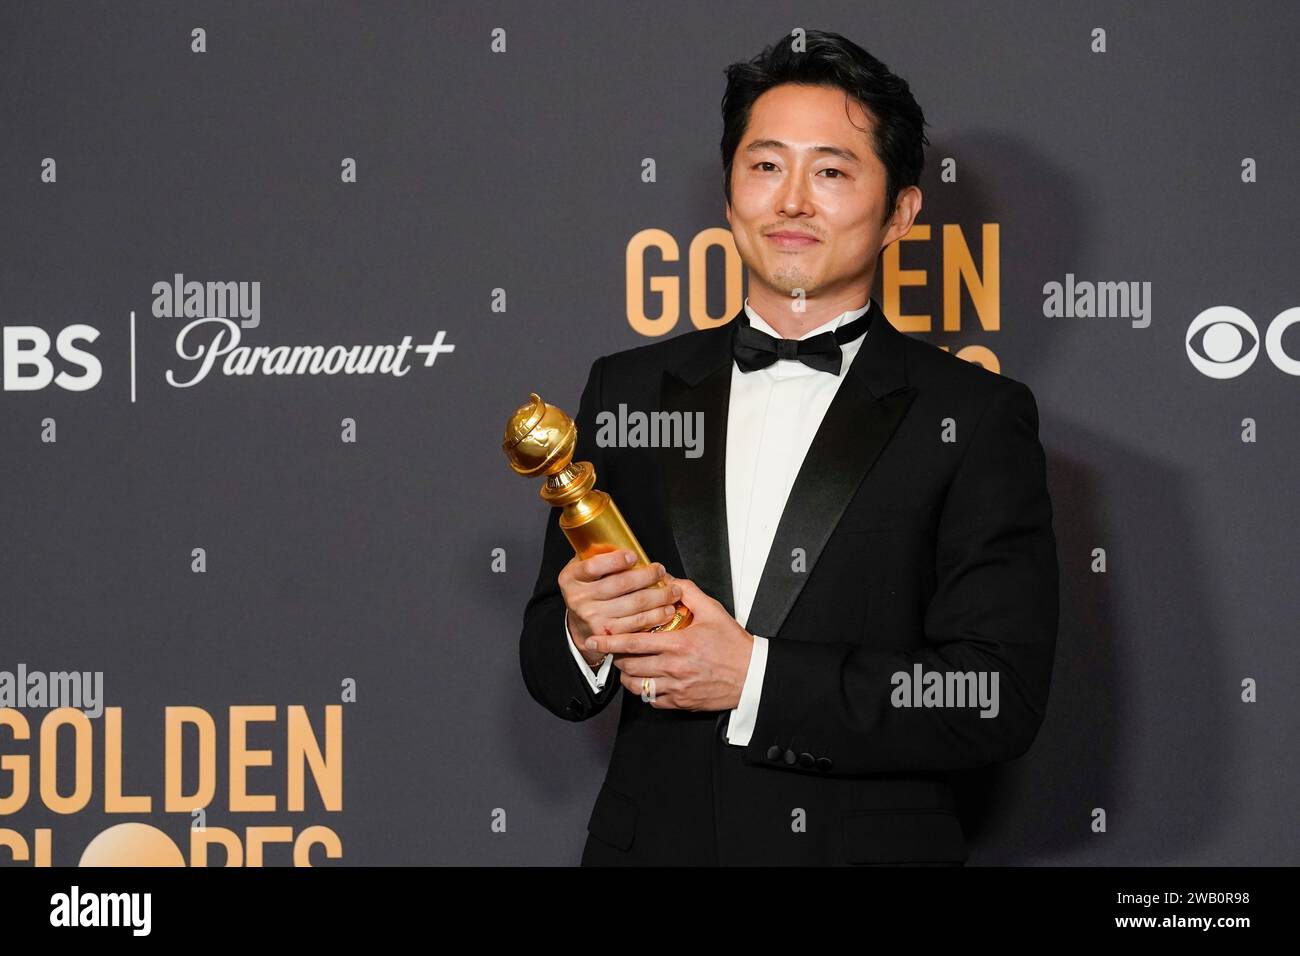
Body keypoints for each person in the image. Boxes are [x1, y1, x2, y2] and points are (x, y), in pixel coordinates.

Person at [518, 29, 1059, 865]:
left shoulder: (976, 418)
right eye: (766, 165)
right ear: (730, 192)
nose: (792, 201)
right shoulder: (626, 389)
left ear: (901, 212)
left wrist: (755, 682)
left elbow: (994, 697)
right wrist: (586, 638)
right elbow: (551, 665)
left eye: (833, 171)